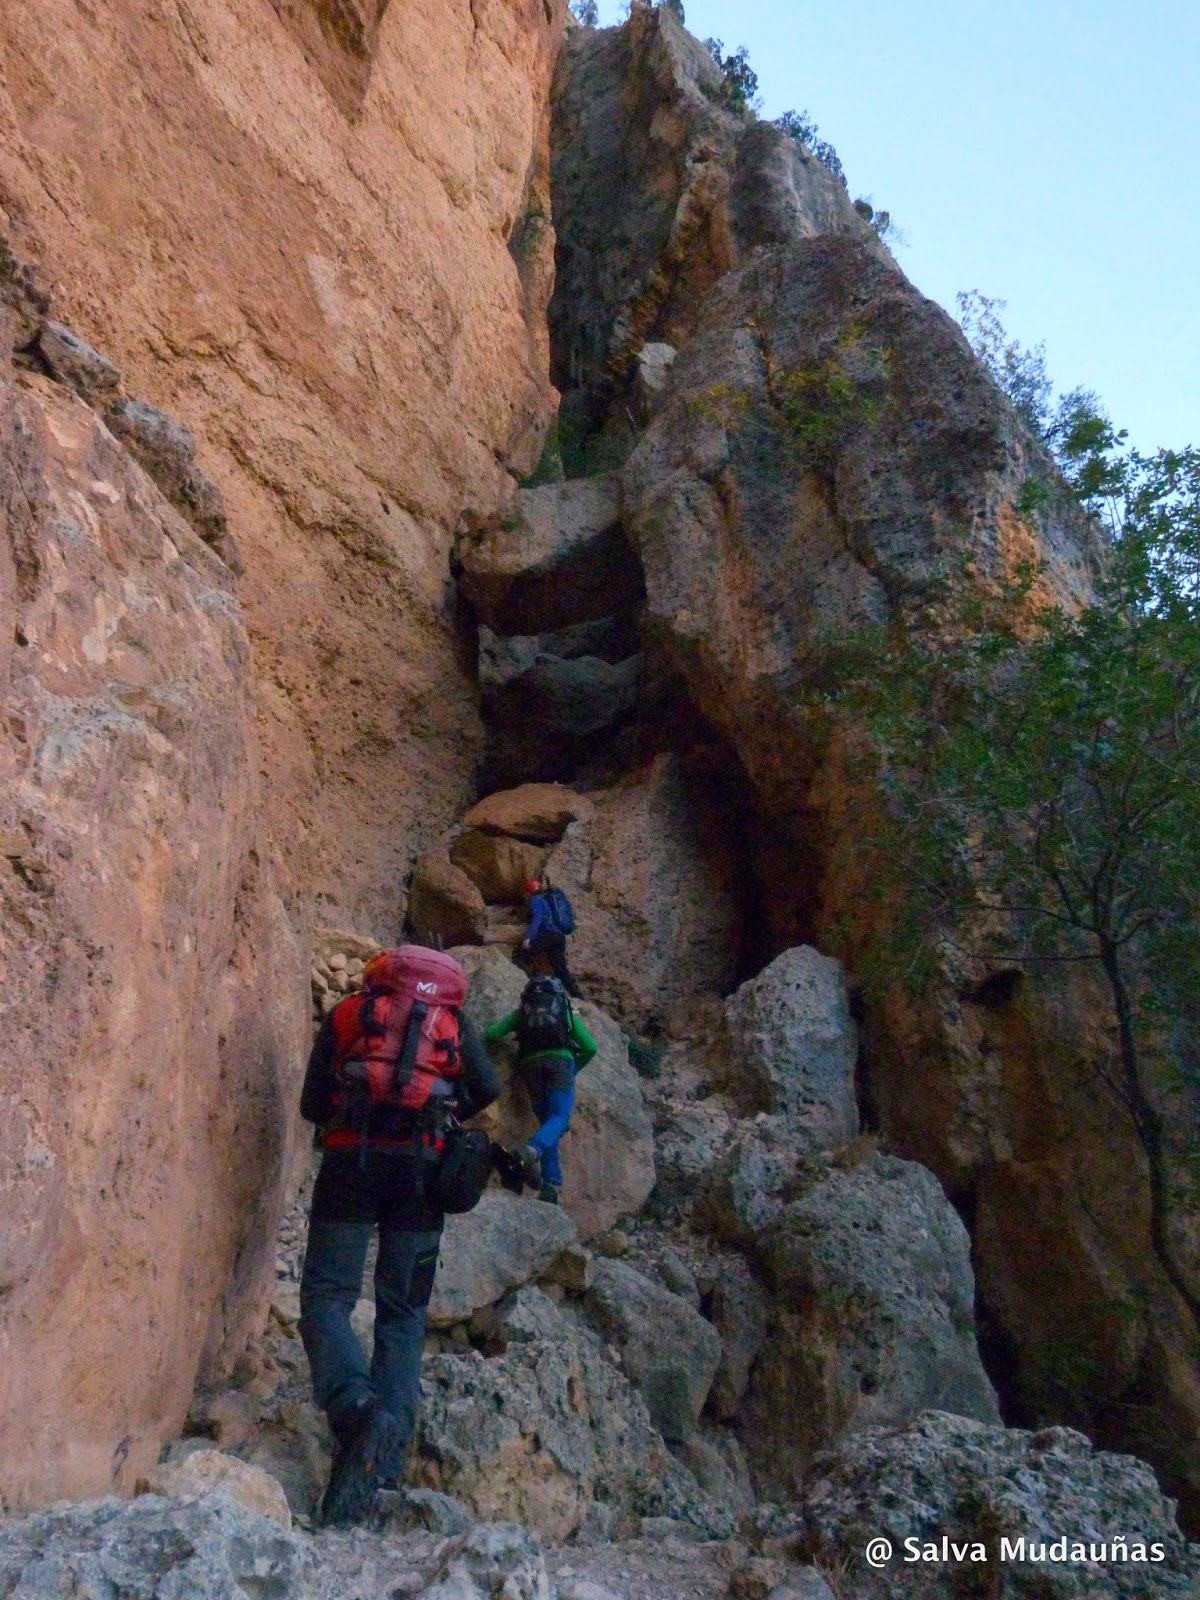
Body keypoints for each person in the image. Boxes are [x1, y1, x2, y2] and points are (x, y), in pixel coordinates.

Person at [298, 945, 501, 1526]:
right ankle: (383, 1473)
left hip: (350, 1169)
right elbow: (486, 1087)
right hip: (422, 1177)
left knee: (327, 1297)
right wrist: (444, 1107)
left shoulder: (349, 1014)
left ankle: (356, 1409)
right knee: (403, 1314)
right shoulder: (454, 1024)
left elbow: (313, 1105)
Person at [484, 976, 597, 1205]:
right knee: (559, 1118)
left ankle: (551, 1185)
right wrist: (573, 1069)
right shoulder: (563, 1012)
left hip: (529, 1067)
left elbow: (493, 1034)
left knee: (548, 1123)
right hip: (560, 1064)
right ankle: (532, 1151)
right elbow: (590, 1047)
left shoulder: (523, 1012)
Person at [518, 876, 582, 998]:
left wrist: (528, 937)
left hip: (549, 935)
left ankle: (528, 981)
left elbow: (537, 919)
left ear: (528, 892)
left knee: (524, 951)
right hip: (559, 937)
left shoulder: (535, 900)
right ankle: (578, 996)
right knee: (560, 970)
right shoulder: (546, 901)